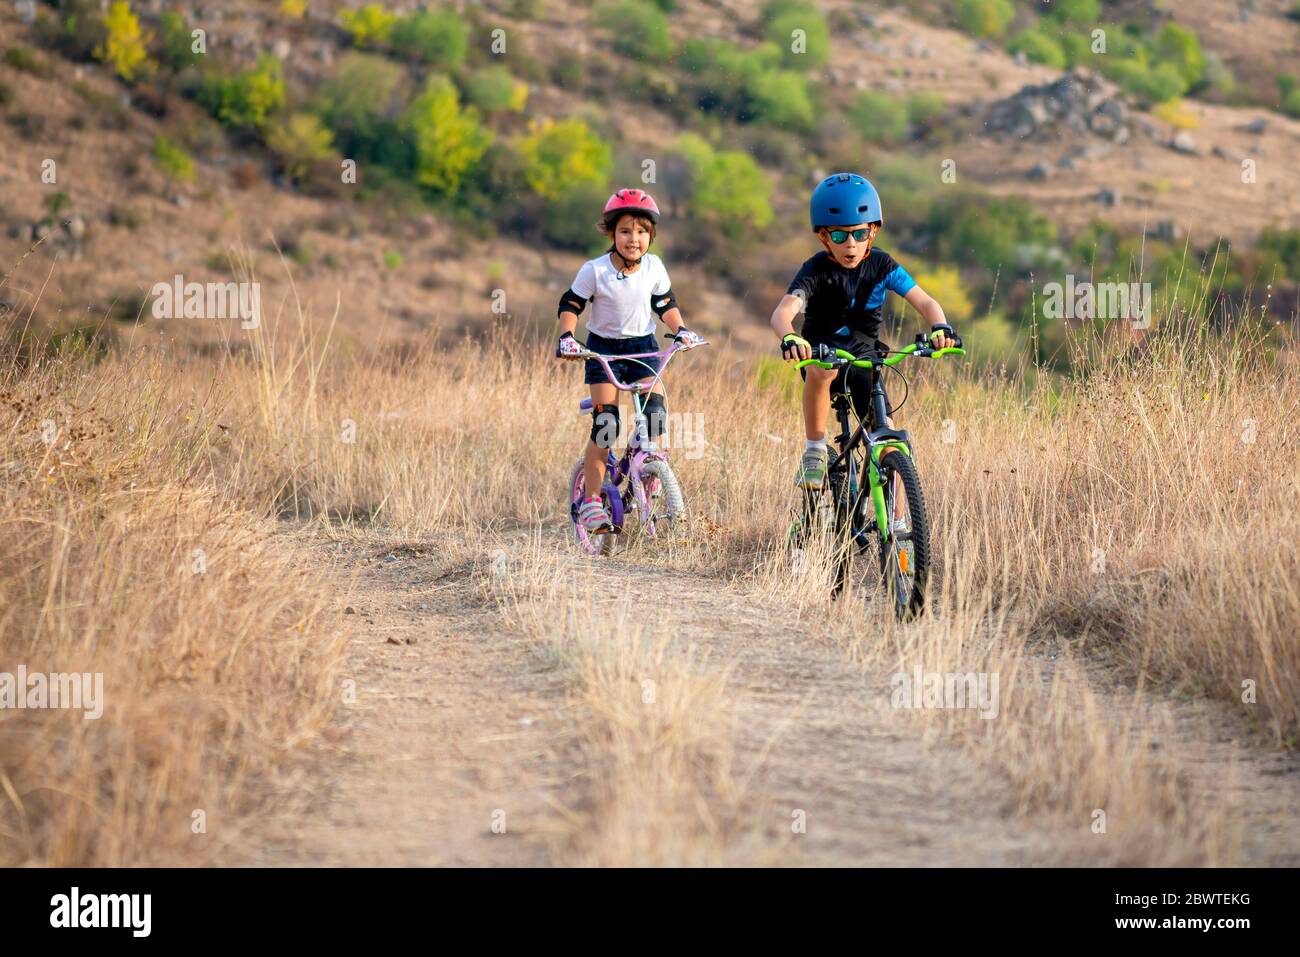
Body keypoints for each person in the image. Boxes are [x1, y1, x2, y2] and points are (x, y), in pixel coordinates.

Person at [769, 173, 960, 489]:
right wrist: (790, 337)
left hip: (865, 359)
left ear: (873, 231)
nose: (851, 244)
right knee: (822, 371)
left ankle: (897, 525)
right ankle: (814, 451)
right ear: (822, 237)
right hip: (822, 351)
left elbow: (926, 302)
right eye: (840, 236)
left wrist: (940, 327)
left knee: (888, 437)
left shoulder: (883, 266)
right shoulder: (815, 270)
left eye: (859, 233)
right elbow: (783, 312)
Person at [556, 188, 704, 531]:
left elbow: (665, 305)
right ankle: (592, 502)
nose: (633, 239)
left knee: (654, 417)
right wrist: (566, 337)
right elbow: (571, 305)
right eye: (625, 231)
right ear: (612, 234)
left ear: (651, 235)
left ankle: (648, 471)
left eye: (641, 231)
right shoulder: (594, 271)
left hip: (643, 349)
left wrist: (681, 330)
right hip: (602, 350)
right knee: (606, 427)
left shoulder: (654, 267)